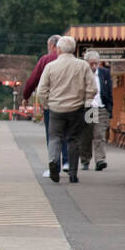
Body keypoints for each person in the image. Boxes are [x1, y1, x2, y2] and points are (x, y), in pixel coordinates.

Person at [36, 36, 95, 183]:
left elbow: (41, 90)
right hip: (76, 109)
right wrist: (86, 102)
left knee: (55, 137)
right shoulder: (83, 66)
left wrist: (46, 104)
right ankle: (73, 174)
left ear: (59, 49)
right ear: (74, 49)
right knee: (73, 140)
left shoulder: (50, 66)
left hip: (56, 109)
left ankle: (54, 162)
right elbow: (92, 88)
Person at [23, 34, 67, 177]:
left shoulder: (46, 60)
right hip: (73, 105)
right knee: (69, 135)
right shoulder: (77, 62)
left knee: (53, 136)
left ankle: (55, 166)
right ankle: (68, 163)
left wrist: (26, 96)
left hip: (53, 105)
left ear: (53, 46)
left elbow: (34, 80)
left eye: (49, 46)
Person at [79, 49, 111, 171]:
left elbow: (108, 91)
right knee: (86, 135)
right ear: (86, 62)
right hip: (89, 108)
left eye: (96, 63)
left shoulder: (104, 73)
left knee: (100, 134)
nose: (94, 66)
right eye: (91, 63)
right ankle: (85, 160)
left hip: (101, 107)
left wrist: (109, 108)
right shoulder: (82, 74)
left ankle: (100, 160)